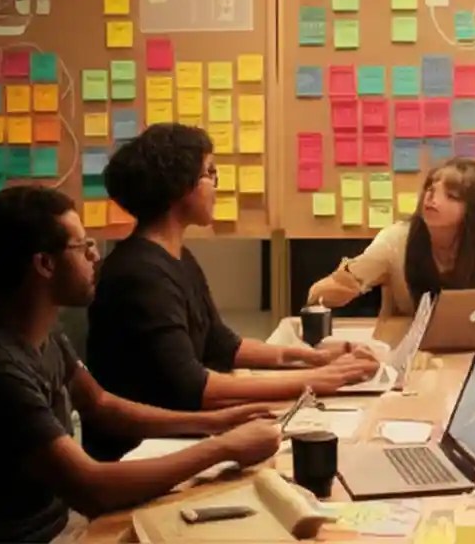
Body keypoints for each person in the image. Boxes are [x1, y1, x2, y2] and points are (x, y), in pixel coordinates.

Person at [0, 187, 280, 544]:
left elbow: (101, 405)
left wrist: (216, 423)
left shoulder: (41, 329)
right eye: (82, 246)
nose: (95, 257)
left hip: (60, 526)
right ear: (44, 264)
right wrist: (224, 448)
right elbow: (92, 488)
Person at [84, 124, 378, 462]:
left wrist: (315, 359)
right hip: (145, 454)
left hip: (182, 436)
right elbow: (195, 386)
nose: (217, 186)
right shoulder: (139, 275)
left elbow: (222, 344)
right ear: (180, 186)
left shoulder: (176, 257)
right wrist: (315, 380)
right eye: (210, 173)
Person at [306, 158, 475, 318]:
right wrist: (338, 288)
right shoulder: (395, 240)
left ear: (471, 209)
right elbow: (322, 294)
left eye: (450, 195)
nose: (431, 197)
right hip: (411, 354)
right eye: (429, 188)